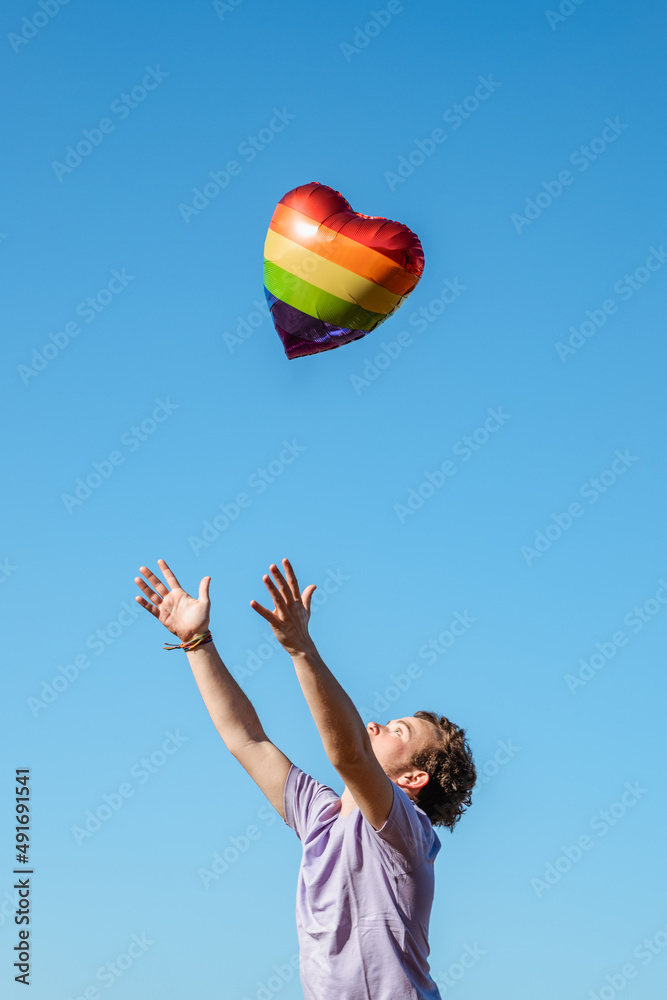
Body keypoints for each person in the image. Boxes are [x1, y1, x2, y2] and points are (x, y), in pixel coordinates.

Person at [134, 557, 476, 1000]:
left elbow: (349, 756)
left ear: (414, 778)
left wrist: (301, 649)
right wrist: (196, 642)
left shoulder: (408, 833)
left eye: (398, 732)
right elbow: (247, 740)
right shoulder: (321, 816)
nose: (376, 725)